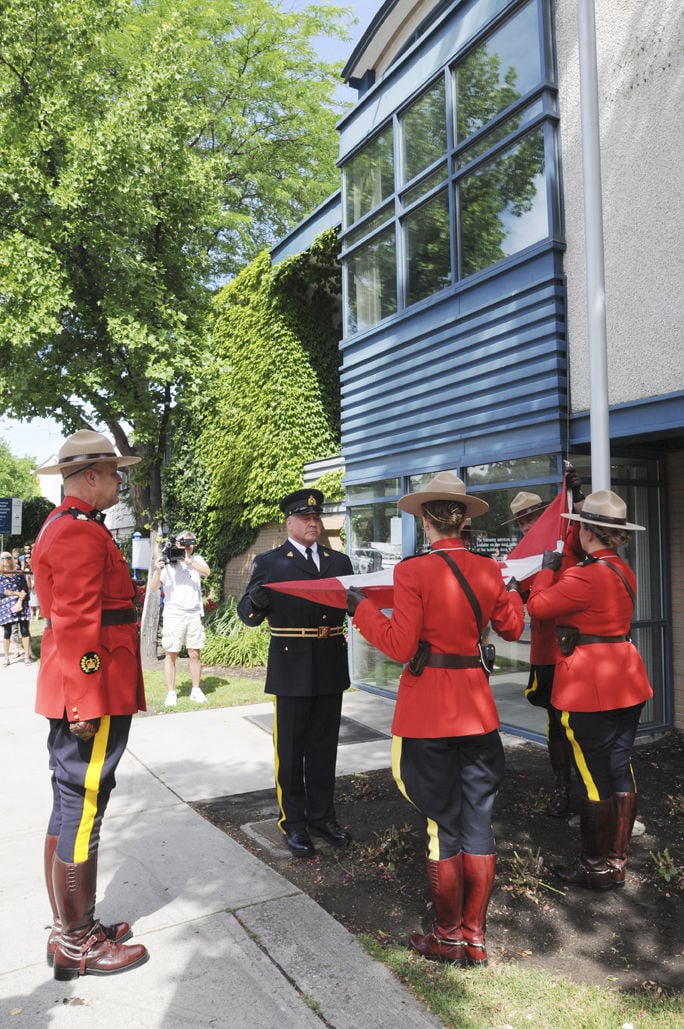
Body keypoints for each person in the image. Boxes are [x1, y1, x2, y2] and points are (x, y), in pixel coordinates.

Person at [347, 472, 525, 967]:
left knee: (443, 825)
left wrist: (362, 610)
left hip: (427, 713)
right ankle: (475, 938)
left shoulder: (413, 572)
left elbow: (400, 646)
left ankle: (447, 937)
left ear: (426, 521)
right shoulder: (488, 570)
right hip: (477, 711)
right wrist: (509, 590)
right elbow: (512, 627)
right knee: (478, 823)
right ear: (462, 520)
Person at [32, 429, 149, 979]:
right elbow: (77, 621)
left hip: (88, 681)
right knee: (83, 806)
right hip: (94, 684)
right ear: (91, 476)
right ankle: (78, 943)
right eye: (114, 472)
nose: (119, 481)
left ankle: (67, 929)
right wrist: (84, 702)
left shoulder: (66, 524)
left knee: (69, 803)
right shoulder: (78, 531)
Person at [526, 489, 653, 890]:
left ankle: (594, 866)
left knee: (595, 778)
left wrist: (546, 570)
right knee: (619, 768)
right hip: (626, 680)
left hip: (589, 686)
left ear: (587, 532)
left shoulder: (584, 575)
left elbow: (537, 606)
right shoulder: (622, 569)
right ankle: (616, 862)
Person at [238, 489, 354, 859]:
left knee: (324, 749)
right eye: (305, 518)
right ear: (289, 522)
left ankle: (322, 817)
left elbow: (354, 606)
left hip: (329, 662)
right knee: (290, 751)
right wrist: (255, 601)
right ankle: (294, 822)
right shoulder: (271, 562)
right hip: (291, 666)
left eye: (316, 518)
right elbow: (248, 614)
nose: (313, 523)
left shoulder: (339, 562)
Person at [506, 464, 585, 816]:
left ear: (546, 516)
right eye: (522, 522)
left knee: (582, 721)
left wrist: (576, 494)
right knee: (555, 722)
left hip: (577, 645)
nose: (527, 526)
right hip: (546, 648)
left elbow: (588, 523)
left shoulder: (570, 538)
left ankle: (592, 790)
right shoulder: (522, 554)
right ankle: (562, 788)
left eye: (532, 518)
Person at [149, 531, 211, 706]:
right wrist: (158, 570)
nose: (188, 547)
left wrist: (189, 561)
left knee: (195, 653)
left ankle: (196, 690)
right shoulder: (168, 564)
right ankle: (171, 693)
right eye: (184, 544)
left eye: (191, 544)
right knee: (171, 654)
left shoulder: (196, 559)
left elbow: (207, 572)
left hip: (193, 614)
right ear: (177, 544)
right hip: (174, 614)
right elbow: (153, 588)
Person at [0, 552, 34, 665]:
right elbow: (3, 591)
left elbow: (25, 588)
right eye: (4, 558)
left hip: (21, 604)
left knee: (24, 630)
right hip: (6, 607)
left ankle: (26, 656)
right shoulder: (0, 575)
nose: (7, 560)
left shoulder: (18, 573)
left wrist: (19, 601)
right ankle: (6, 658)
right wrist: (17, 593)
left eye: (9, 557)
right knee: (7, 632)